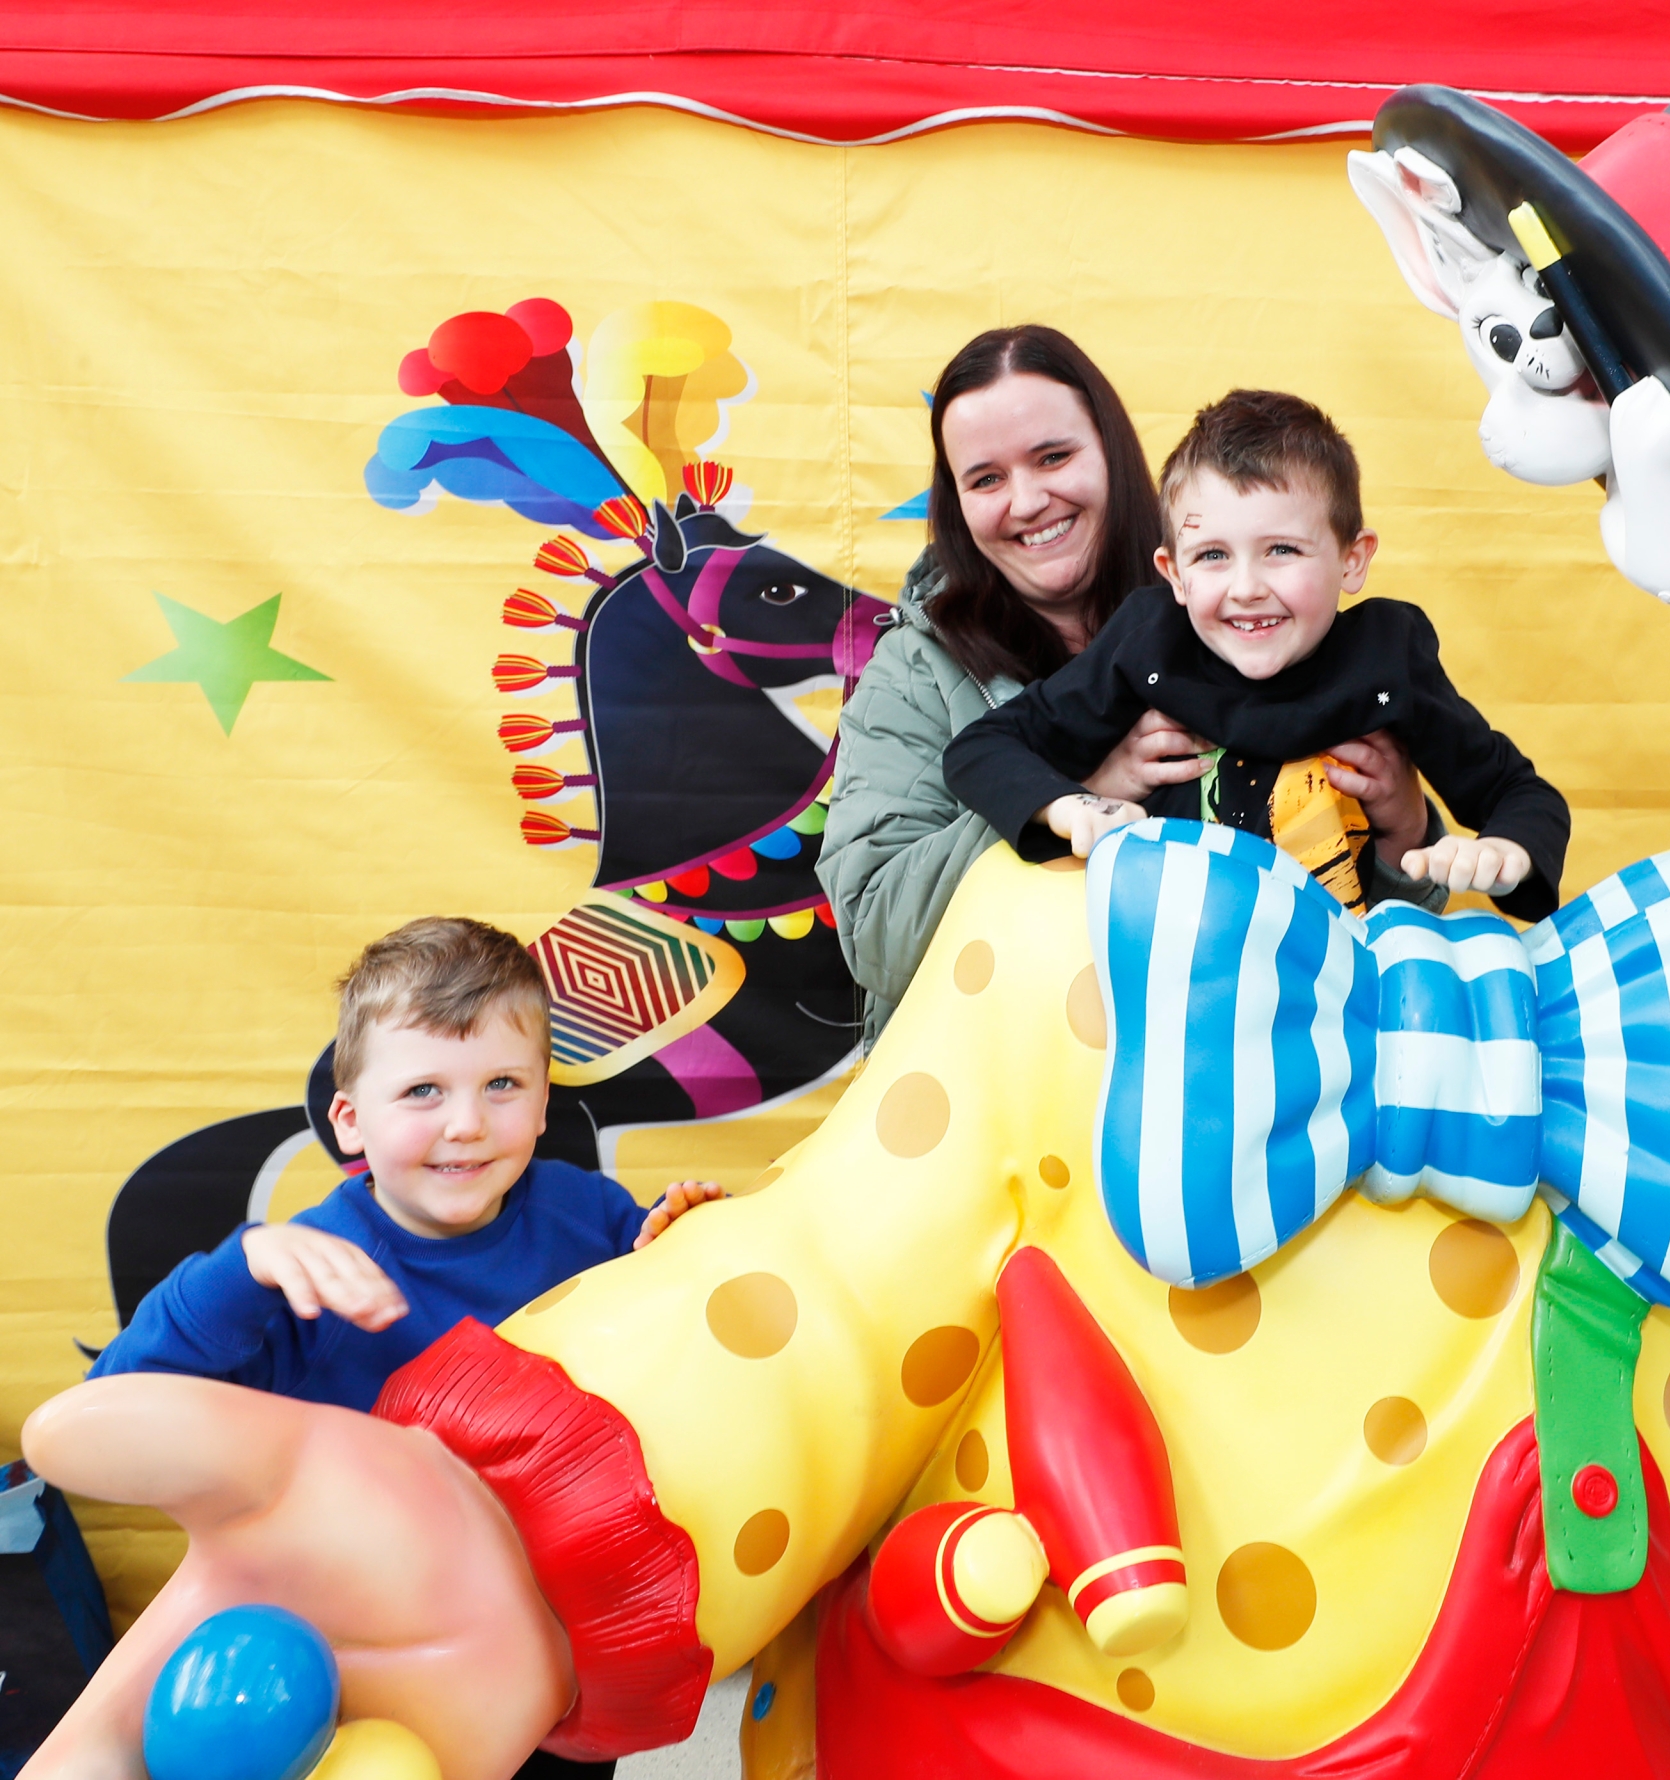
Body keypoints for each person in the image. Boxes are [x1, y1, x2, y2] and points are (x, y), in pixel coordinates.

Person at [89, 916, 719, 1780]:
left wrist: (683, 1252)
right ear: (351, 1120)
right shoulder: (307, 1273)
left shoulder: (591, 1215)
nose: (467, 1123)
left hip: (554, 1653)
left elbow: (677, 1364)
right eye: (423, 1090)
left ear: (543, 1103)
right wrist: (241, 1268)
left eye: (502, 1084)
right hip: (370, 1664)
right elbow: (111, 1407)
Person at [817, 328, 1444, 1042]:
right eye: (986, 479)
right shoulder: (912, 674)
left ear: (1111, 451)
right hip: (1011, 1084)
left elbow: (1360, 929)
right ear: (955, 501)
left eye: (1053, 457)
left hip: (1234, 1070)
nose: (1027, 500)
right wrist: (1072, 791)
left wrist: (1404, 834)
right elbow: (877, 940)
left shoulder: (1238, 615)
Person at [943, 389, 1571, 922]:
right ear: (1175, 573)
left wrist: (1506, 851)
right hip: (1168, 975)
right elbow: (983, 746)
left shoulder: (1386, 659)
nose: (1246, 587)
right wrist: (1071, 803)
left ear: (1352, 560)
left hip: (1331, 988)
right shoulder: (1149, 642)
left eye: (1282, 550)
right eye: (1213, 556)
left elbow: (1521, 792)